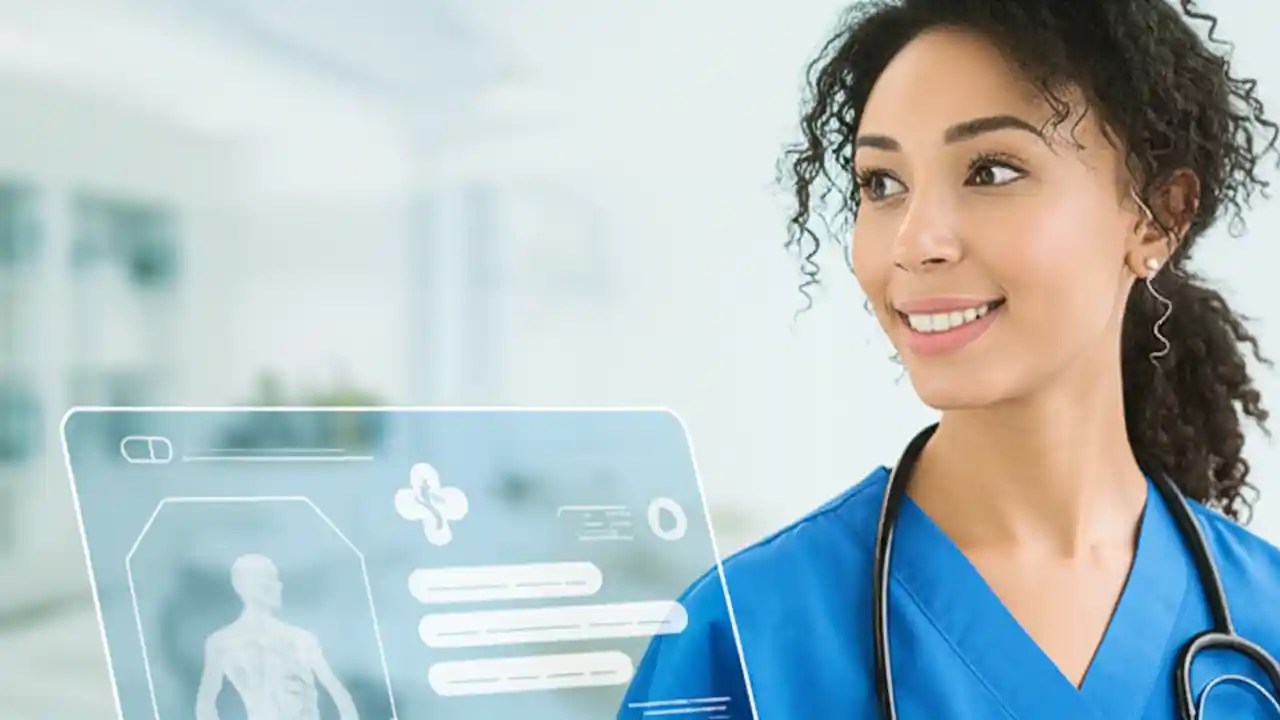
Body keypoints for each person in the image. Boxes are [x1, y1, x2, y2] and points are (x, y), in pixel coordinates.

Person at [621, 1, 1280, 717]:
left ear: (1159, 215)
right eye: (882, 184)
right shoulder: (746, 639)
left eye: (991, 172)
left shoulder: (1265, 616)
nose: (914, 242)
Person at [195, 554, 359, 720]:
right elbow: (205, 705)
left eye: (275, 579)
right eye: (268, 578)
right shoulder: (222, 643)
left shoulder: (300, 639)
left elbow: (341, 698)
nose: (278, 586)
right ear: (244, 585)